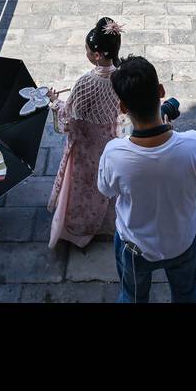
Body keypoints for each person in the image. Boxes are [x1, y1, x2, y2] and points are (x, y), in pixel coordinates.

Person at [97, 56, 196, 303]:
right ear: (161, 91)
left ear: (123, 107)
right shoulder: (194, 144)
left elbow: (106, 190)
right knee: (186, 294)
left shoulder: (114, 153)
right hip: (182, 241)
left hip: (135, 247)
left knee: (132, 296)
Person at [45, 18, 125, 249]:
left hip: (86, 147)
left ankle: (77, 230)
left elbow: (68, 122)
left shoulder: (87, 82)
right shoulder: (121, 74)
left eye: (88, 49)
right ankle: (106, 223)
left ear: (98, 54)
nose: (87, 52)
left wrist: (55, 102)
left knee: (83, 187)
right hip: (110, 141)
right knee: (104, 186)